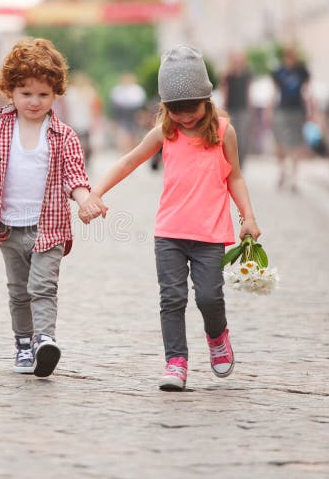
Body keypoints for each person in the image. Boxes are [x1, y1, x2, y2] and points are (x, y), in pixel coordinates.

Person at [80, 46, 261, 391]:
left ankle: (217, 334)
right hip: (170, 233)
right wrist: (96, 191)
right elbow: (128, 161)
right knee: (172, 298)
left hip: (210, 235)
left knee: (209, 296)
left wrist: (247, 217)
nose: (184, 117)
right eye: (175, 110)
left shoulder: (224, 132)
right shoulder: (167, 132)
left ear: (206, 99)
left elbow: (234, 176)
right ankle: (175, 361)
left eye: (190, 108)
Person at [0, 38, 91, 378]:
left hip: (48, 226)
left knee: (42, 287)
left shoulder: (64, 136)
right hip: (9, 226)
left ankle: (44, 340)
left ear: (55, 94)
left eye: (43, 95)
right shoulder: (3, 123)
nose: (34, 102)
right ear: (11, 92)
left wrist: (85, 201)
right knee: (18, 292)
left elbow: (74, 176)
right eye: (26, 94)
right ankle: (23, 342)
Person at [271, 47, 311, 192]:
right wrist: (270, 110)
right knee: (280, 142)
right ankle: (282, 171)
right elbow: (274, 92)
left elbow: (307, 91)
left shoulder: (301, 71)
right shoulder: (279, 72)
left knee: (296, 143)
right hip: (282, 109)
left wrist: (311, 110)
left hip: (297, 110)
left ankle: (294, 176)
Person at [220, 51, 253, 167]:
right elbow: (224, 92)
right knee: (230, 138)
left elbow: (248, 93)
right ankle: (230, 164)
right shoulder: (228, 75)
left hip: (243, 110)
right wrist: (223, 110)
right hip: (231, 110)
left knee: (242, 140)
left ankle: (240, 165)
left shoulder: (247, 75)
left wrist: (250, 109)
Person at [110, 73, 147, 154]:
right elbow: (114, 107)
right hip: (122, 115)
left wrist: (142, 116)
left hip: (134, 115)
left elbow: (142, 106)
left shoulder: (137, 90)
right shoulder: (118, 90)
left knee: (134, 135)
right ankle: (124, 152)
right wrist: (114, 120)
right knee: (123, 135)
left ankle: (132, 152)